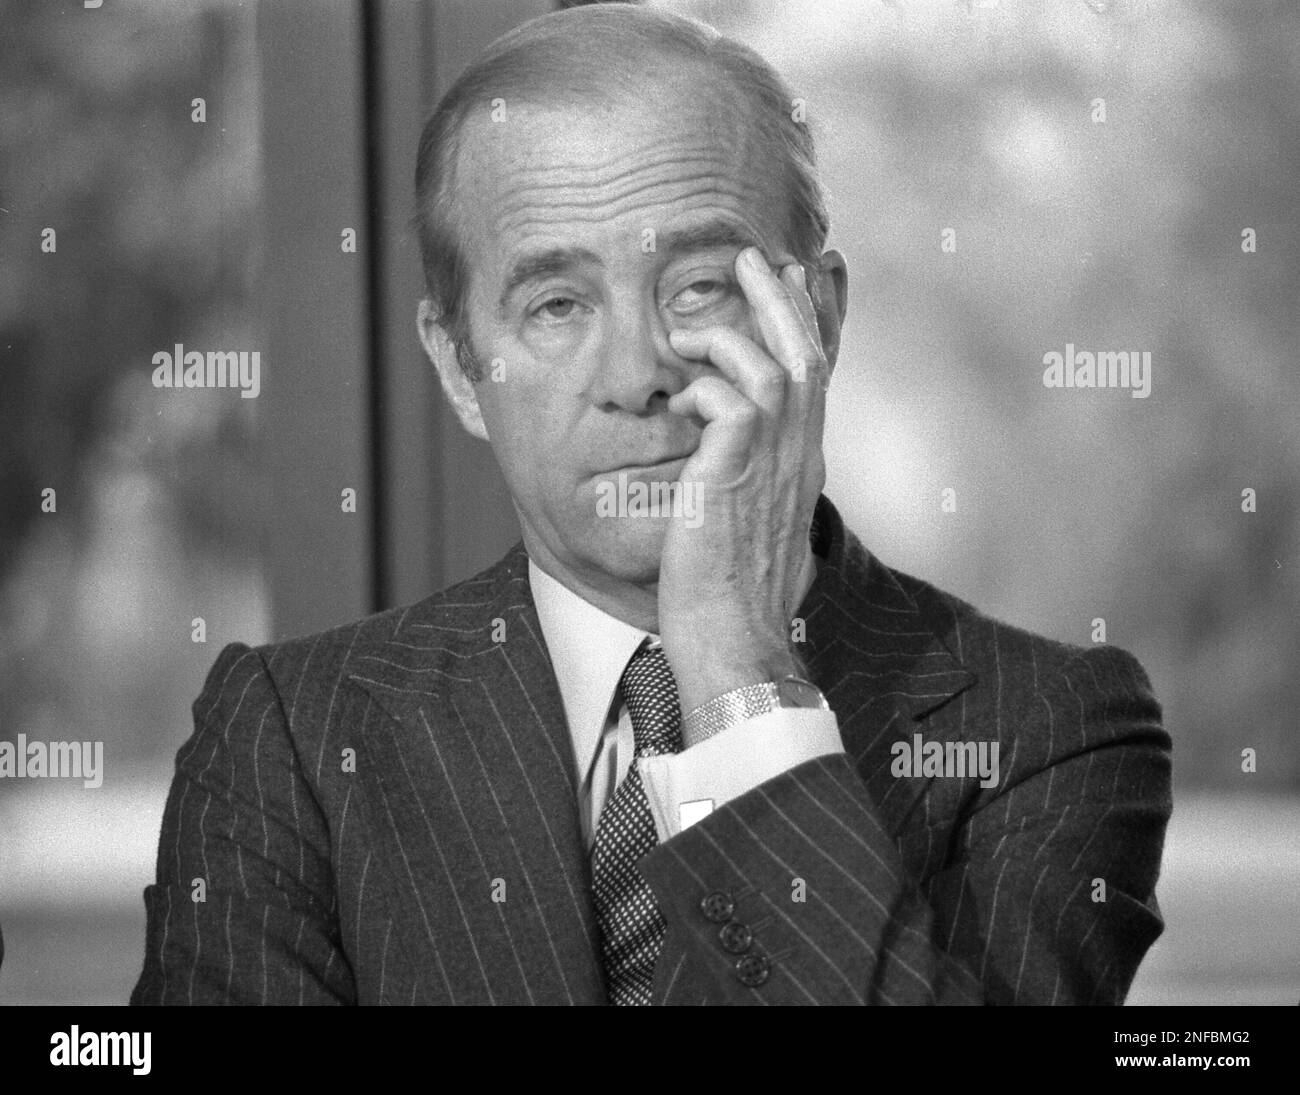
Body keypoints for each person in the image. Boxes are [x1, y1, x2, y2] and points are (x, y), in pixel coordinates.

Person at [131, 3, 1171, 1006]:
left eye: (697, 289)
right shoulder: (291, 740)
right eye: (556, 304)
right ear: (457, 368)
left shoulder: (1050, 729)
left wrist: (734, 666)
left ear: (817, 321)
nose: (636, 374)